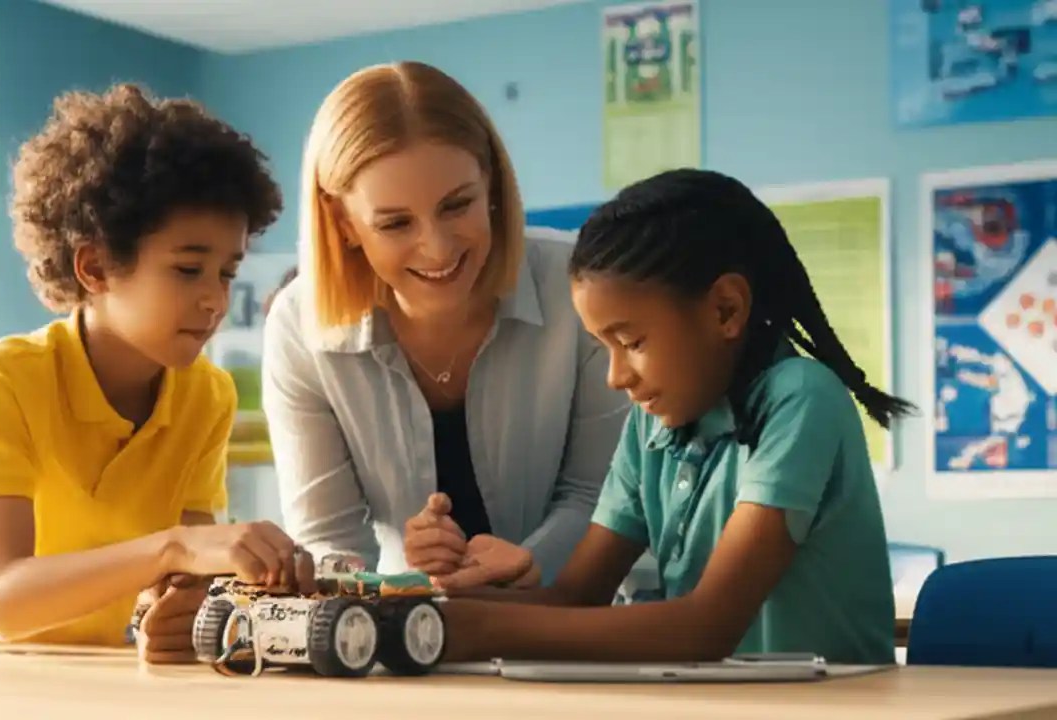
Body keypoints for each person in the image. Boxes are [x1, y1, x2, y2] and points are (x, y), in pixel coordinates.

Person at [434, 169, 914, 665]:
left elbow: (705, 629)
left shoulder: (800, 398)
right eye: (605, 349)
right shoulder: (651, 425)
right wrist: (436, 606)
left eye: (633, 343)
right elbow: (574, 596)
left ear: (726, 310)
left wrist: (485, 627)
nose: (616, 377)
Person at [0, 84, 313, 652]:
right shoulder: (4, 378)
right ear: (94, 267)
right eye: (188, 269)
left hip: (98, 670)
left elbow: (183, 582)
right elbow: (3, 600)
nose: (216, 301)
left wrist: (183, 609)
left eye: (226, 272)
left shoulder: (207, 396)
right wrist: (174, 548)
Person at [261, 61, 629, 588]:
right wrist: (405, 581)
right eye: (394, 223)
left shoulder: (578, 287)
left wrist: (524, 569)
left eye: (457, 205)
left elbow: (600, 496)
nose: (437, 247)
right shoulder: (298, 325)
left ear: (493, 186)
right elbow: (328, 541)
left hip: (560, 622)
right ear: (343, 224)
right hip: (395, 638)